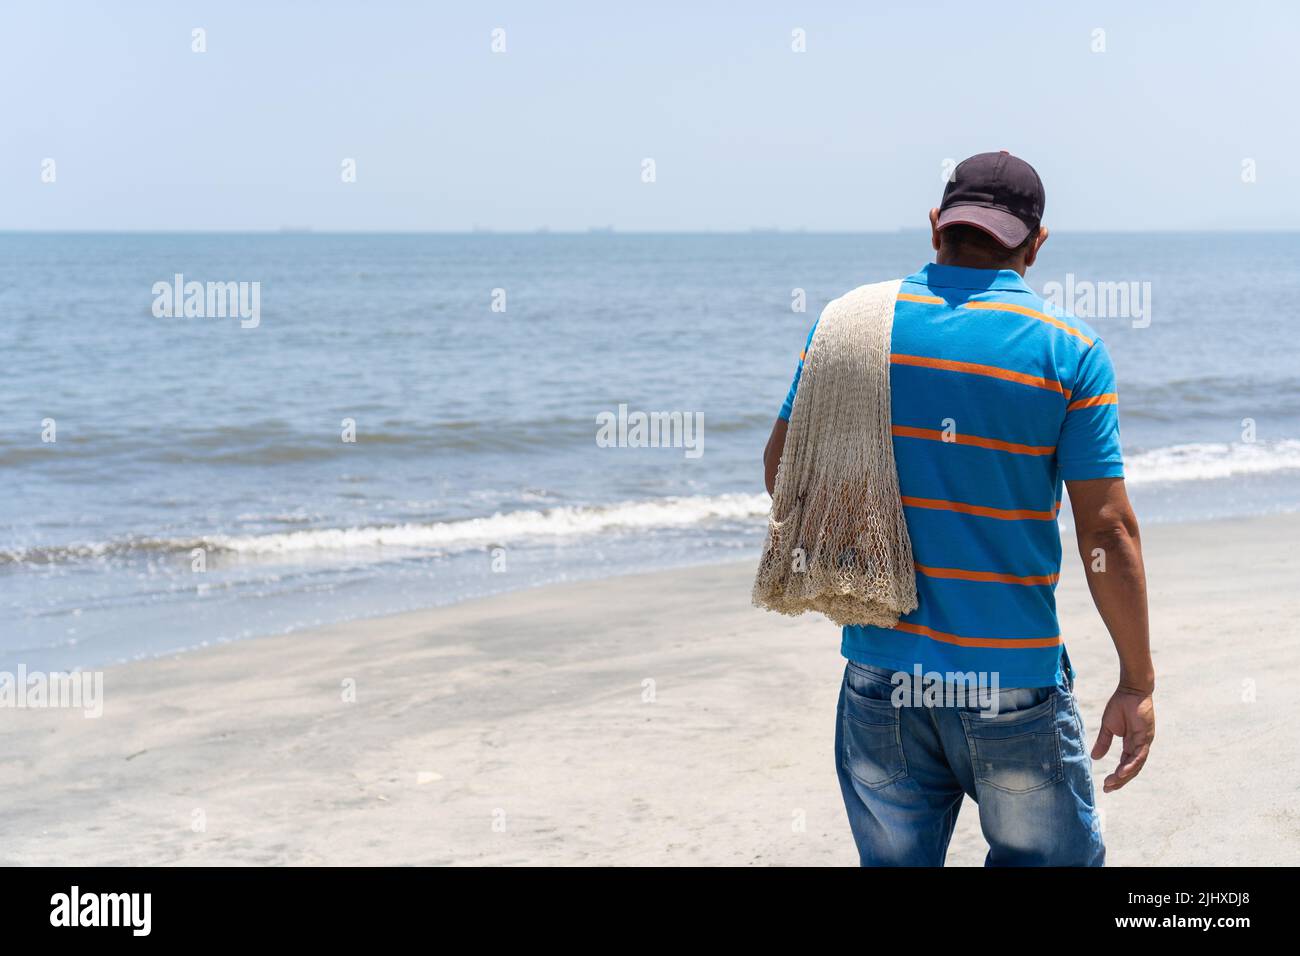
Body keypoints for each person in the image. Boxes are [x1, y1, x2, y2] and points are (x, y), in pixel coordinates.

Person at [762, 152, 1154, 866]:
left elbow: (784, 478)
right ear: (1036, 245)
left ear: (937, 225)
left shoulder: (848, 327)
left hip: (880, 677)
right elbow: (1107, 530)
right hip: (1012, 684)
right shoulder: (1069, 349)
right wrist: (1136, 680)